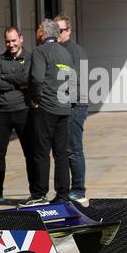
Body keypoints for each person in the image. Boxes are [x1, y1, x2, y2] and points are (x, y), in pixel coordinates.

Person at [0, 27, 36, 203]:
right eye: (7, 41)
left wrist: (6, 77)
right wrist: (16, 80)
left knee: (30, 152)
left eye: (14, 41)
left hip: (23, 110)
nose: (11, 44)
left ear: (21, 39)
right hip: (3, 112)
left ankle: (35, 192)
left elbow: (27, 79)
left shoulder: (30, 58)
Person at [27, 17, 74, 204]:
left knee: (41, 152)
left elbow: (36, 79)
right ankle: (63, 194)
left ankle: (39, 194)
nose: (37, 32)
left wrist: (36, 100)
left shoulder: (40, 52)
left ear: (44, 33)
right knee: (61, 153)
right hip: (63, 108)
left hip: (46, 108)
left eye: (39, 29)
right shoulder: (65, 53)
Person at [55, 13, 88, 200]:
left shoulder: (74, 51)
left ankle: (78, 189)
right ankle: (66, 190)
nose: (58, 34)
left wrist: (68, 102)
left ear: (69, 31)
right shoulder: (59, 51)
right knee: (64, 149)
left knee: (74, 148)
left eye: (61, 30)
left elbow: (77, 79)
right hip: (65, 105)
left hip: (75, 105)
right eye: (55, 31)